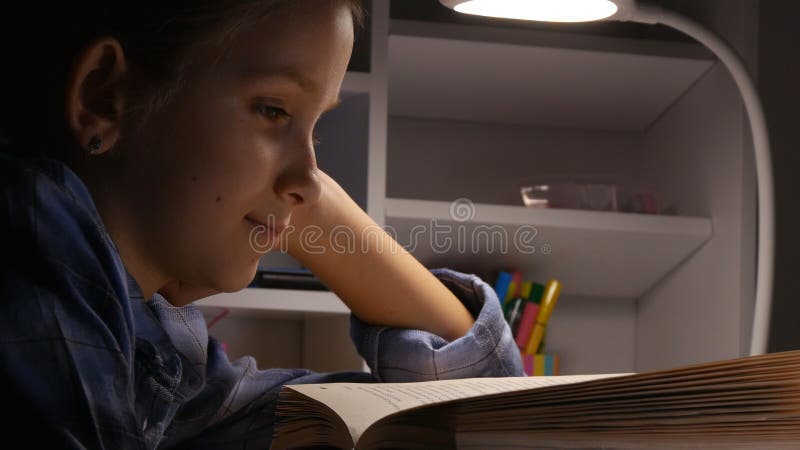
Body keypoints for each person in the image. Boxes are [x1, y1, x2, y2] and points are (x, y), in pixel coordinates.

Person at [0, 0, 524, 448]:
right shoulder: (33, 227)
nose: (311, 181)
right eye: (274, 110)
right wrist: (285, 201)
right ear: (103, 96)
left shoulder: (158, 343)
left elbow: (487, 415)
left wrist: (289, 197)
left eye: (316, 128)